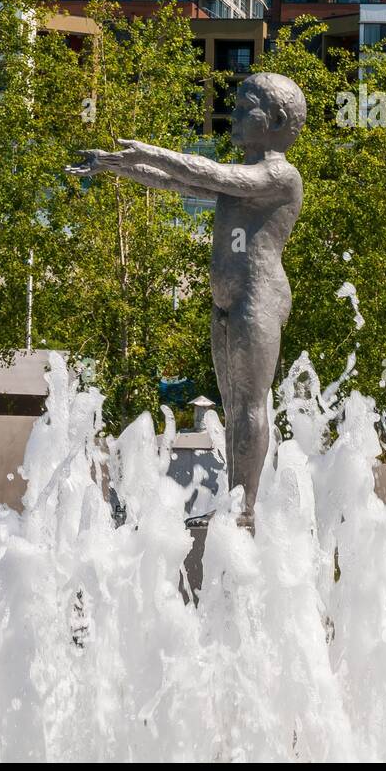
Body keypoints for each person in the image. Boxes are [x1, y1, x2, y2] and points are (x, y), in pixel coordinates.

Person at [68, 73, 306, 529]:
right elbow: (177, 183)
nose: (233, 117)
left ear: (275, 120)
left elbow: (209, 171)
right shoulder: (244, 181)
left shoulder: (278, 175)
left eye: (245, 108)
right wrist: (115, 163)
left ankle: (245, 512)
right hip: (229, 303)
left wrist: (150, 150)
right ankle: (234, 504)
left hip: (258, 298)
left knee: (252, 405)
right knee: (234, 408)